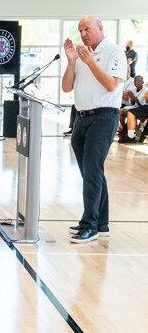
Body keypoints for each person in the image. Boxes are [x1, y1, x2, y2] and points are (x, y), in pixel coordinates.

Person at [62, 15, 127, 243]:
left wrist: (90, 62)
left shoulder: (114, 51)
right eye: (80, 30)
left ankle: (89, 225)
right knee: (92, 172)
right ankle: (101, 223)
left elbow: (111, 85)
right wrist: (72, 61)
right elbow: (66, 87)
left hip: (103, 117)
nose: (83, 34)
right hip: (81, 118)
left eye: (87, 29)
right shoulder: (82, 54)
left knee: (92, 171)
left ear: (100, 28)